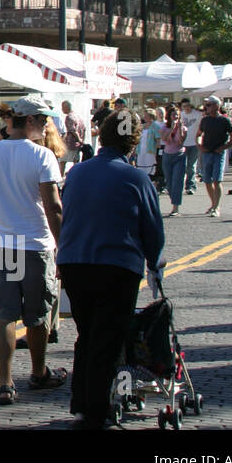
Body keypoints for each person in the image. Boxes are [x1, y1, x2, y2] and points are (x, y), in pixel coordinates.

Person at [58, 109, 165, 429]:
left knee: (87, 334)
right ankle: (95, 409)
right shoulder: (136, 178)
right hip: (116, 265)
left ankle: (81, 403)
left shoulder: (77, 173)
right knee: (108, 337)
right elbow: (153, 229)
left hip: (76, 261)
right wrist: (153, 261)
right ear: (133, 142)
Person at [0, 94, 66, 406]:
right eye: (44, 119)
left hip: (5, 245)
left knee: (5, 315)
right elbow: (53, 206)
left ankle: (5, 382)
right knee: (37, 316)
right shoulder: (42, 156)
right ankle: (38, 373)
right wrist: (64, 246)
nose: (47, 125)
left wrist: (2, 199)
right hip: (36, 244)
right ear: (31, 120)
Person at [197, 96, 232, 217]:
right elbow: (198, 134)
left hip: (218, 153)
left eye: (209, 105)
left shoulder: (224, 120)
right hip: (206, 152)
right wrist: (199, 145)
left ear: (217, 106)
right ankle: (213, 204)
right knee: (207, 180)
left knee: (216, 180)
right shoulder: (205, 120)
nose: (207, 107)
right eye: (207, 105)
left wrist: (224, 147)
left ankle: (216, 207)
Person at [160, 106, 187, 216]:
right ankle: (174, 200)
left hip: (179, 155)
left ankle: (175, 207)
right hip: (167, 155)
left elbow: (180, 141)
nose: (175, 116)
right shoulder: (164, 127)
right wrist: (171, 129)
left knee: (177, 182)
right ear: (169, 116)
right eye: (173, 115)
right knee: (169, 183)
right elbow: (164, 139)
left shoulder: (183, 128)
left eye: (177, 115)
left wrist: (179, 128)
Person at [180, 98, 202, 193]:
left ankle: (191, 186)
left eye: (187, 106)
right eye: (184, 106)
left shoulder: (197, 114)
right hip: (183, 143)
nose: (186, 108)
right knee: (183, 165)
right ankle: (182, 185)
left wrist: (199, 139)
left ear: (190, 105)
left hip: (194, 143)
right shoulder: (181, 114)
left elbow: (201, 128)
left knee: (191, 166)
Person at [61, 101, 86, 172]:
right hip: (77, 144)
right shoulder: (78, 116)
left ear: (66, 107)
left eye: (62, 107)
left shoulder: (69, 117)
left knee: (62, 161)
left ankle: (61, 177)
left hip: (70, 143)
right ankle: (76, 175)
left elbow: (73, 130)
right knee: (76, 162)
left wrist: (79, 139)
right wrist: (81, 140)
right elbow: (84, 129)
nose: (61, 109)